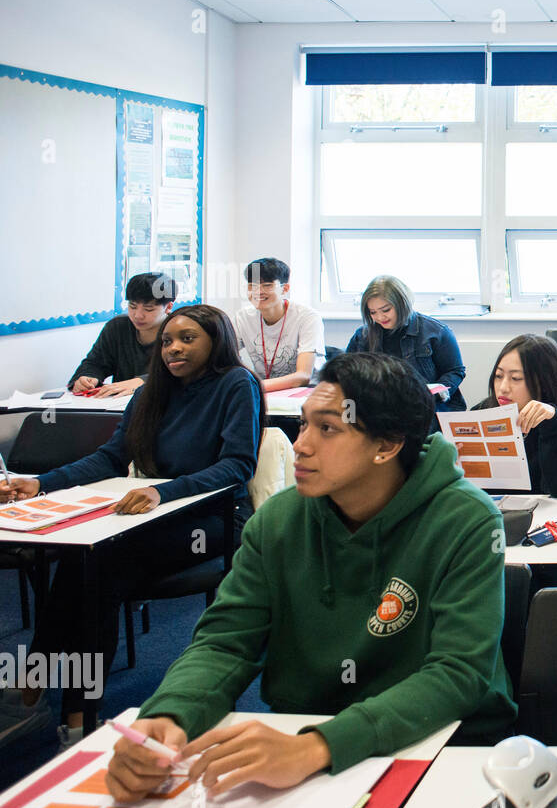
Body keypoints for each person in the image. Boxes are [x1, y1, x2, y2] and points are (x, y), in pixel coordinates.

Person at [102, 353, 516, 802]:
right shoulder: (277, 520)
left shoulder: (466, 519)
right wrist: (172, 713)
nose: (300, 445)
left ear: (388, 445)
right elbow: (225, 641)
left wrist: (319, 746)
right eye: (303, 425)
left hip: (442, 742)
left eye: (328, 428)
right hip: (306, 734)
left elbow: (458, 673)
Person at [0, 305, 265, 745]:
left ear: (214, 341)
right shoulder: (153, 391)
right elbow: (109, 457)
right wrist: (41, 483)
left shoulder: (236, 384)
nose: (173, 348)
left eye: (187, 338)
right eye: (166, 341)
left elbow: (237, 466)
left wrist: (165, 491)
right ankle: (52, 699)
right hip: (157, 513)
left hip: (214, 517)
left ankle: (60, 706)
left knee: (100, 569)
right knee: (83, 563)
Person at [475, 335, 557, 498]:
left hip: (550, 515)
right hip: (491, 515)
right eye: (498, 376)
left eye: (515, 378)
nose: (503, 388)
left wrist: (553, 425)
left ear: (543, 381)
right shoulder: (482, 413)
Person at [345, 275, 466, 412]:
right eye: (373, 312)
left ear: (402, 304)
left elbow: (455, 371)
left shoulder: (436, 331)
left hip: (429, 410)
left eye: (386, 310)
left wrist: (434, 394)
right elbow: (346, 373)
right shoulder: (362, 336)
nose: (380, 317)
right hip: (381, 411)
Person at [66, 272, 175, 396]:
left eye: (148, 309)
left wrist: (142, 381)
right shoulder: (118, 327)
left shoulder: (180, 332)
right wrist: (88, 377)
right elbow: (95, 363)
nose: (138, 315)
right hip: (118, 408)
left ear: (168, 307)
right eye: (132, 306)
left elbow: (184, 374)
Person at [233, 257, 325, 391]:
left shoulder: (307, 317)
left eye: (267, 285)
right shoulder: (242, 317)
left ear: (285, 288)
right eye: (252, 285)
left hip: (307, 391)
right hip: (265, 392)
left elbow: (303, 376)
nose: (258, 292)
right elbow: (225, 356)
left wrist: (254, 386)